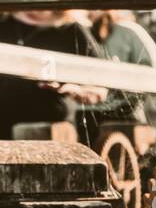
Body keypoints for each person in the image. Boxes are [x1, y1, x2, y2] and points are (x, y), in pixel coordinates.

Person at [0, 9, 107, 139]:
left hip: (48, 132)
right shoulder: (4, 23)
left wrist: (75, 90)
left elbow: (99, 90)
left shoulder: (71, 30)